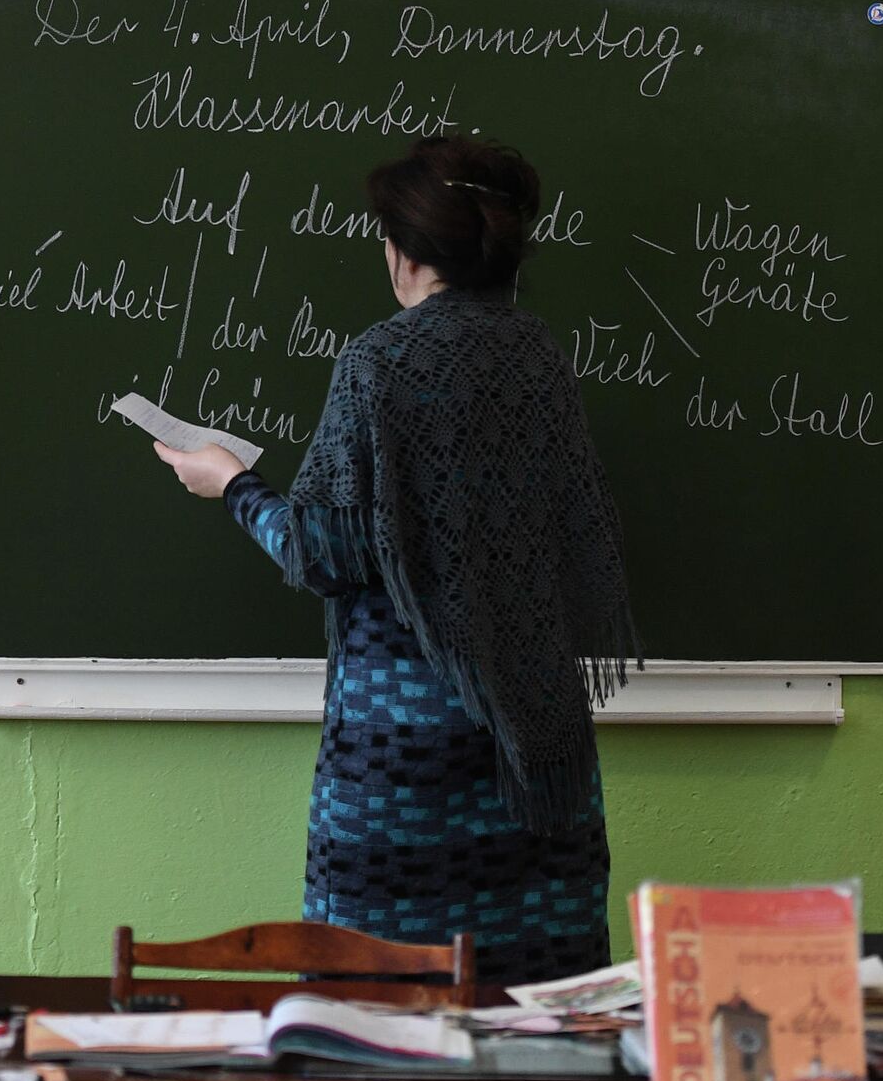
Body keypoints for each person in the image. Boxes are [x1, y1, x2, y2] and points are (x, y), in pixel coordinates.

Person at [152, 134, 640, 986]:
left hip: (403, 755)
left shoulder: (378, 361)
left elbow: (322, 552)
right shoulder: (539, 358)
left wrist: (231, 483)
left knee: (375, 1004)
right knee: (533, 1002)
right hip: (536, 747)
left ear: (405, 252)